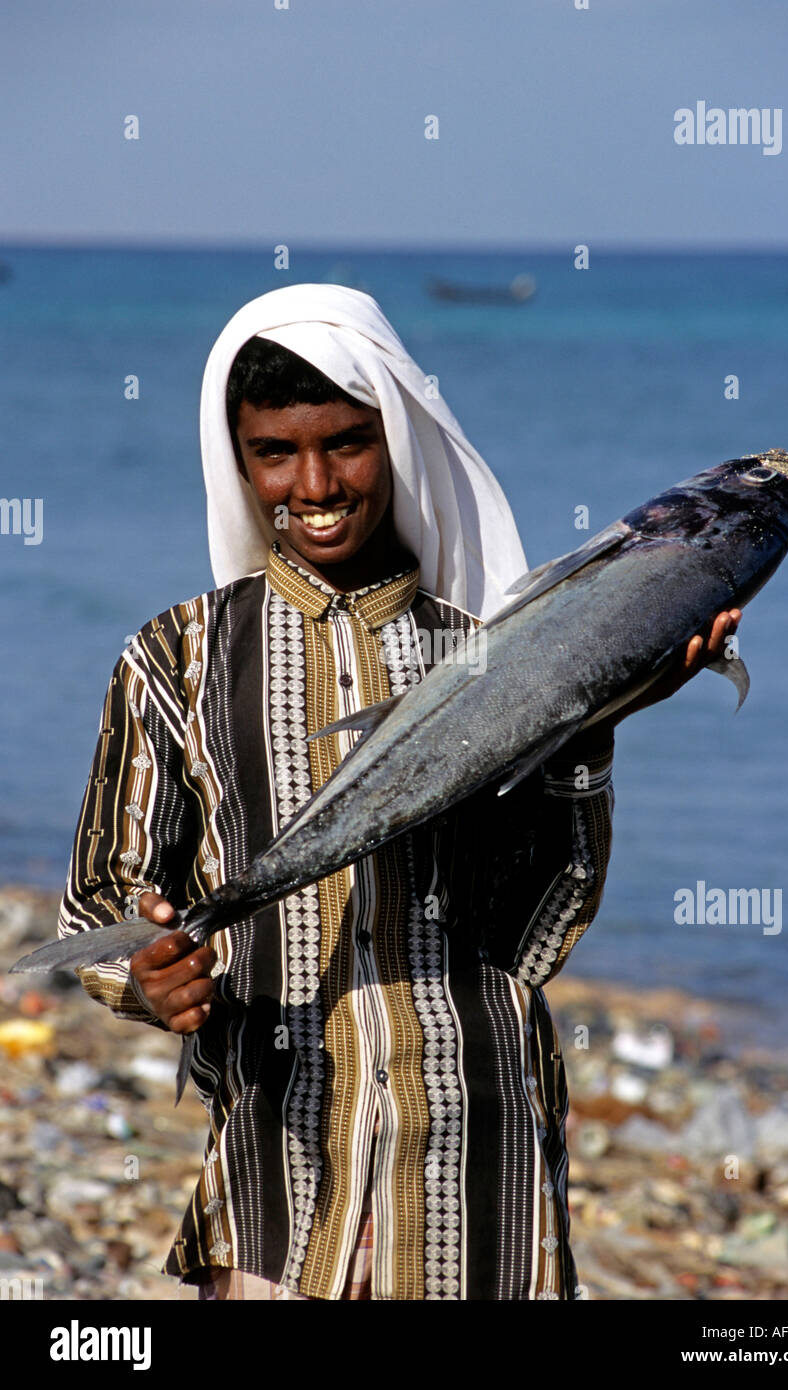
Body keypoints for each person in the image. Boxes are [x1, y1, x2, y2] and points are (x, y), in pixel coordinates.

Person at [59, 284, 739, 1301]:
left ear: (396, 441)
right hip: (277, 1184)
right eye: (275, 452)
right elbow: (104, 899)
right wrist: (150, 977)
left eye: (346, 443)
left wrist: (600, 712)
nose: (315, 481)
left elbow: (543, 933)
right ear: (238, 461)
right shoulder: (175, 659)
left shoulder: (490, 657)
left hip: (477, 1175)